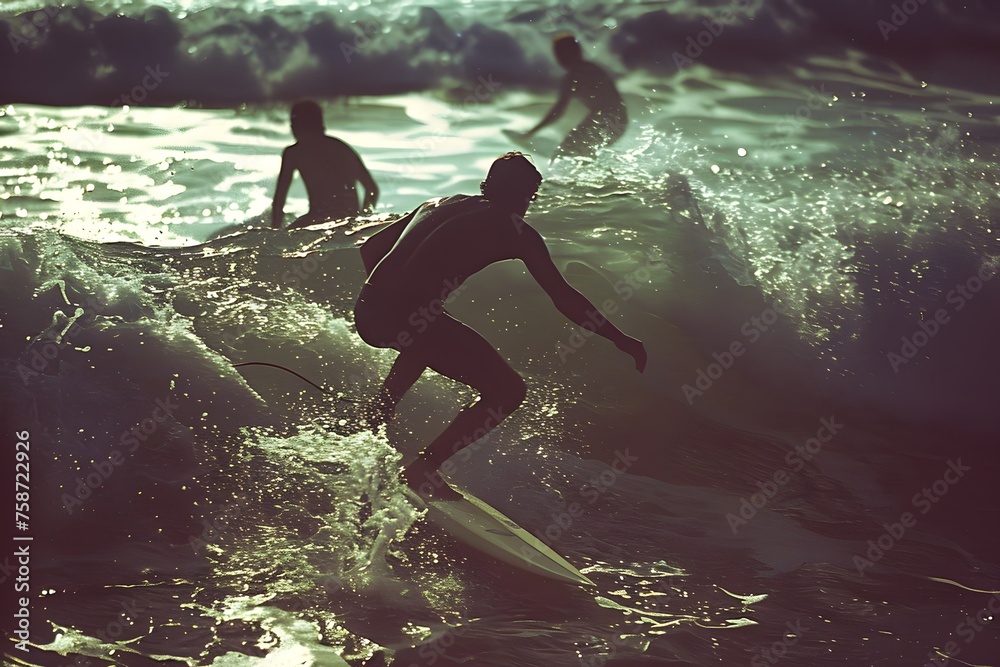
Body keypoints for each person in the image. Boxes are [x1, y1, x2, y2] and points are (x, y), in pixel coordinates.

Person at [353, 152, 646, 497]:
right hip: (404, 318)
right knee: (508, 391)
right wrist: (618, 338)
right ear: (522, 195)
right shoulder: (513, 229)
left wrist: (393, 296)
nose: (528, 205)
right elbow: (562, 296)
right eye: (530, 196)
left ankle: (373, 418)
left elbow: (370, 247)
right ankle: (423, 469)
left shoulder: (440, 202)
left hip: (368, 309)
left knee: (427, 337)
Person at [516, 34, 628, 159]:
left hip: (605, 120)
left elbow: (558, 111)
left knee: (566, 154)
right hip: (620, 119)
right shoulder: (591, 68)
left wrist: (531, 132)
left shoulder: (575, 77)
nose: (559, 58)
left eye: (561, 54)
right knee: (582, 155)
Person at [271, 100, 379, 230]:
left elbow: (279, 199)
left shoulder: (294, 153)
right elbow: (372, 189)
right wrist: (363, 219)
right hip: (349, 221)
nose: (292, 127)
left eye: (294, 122)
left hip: (318, 218)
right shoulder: (341, 148)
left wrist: (275, 229)